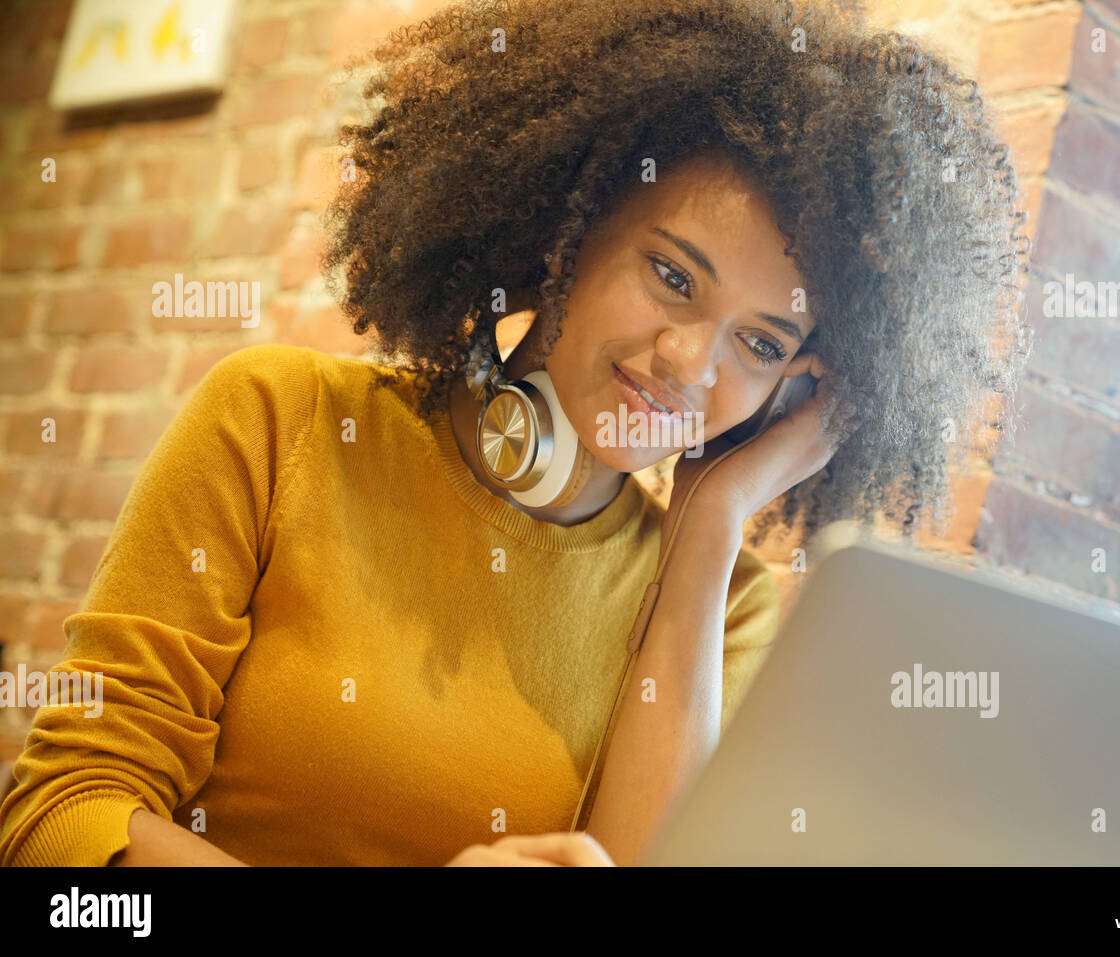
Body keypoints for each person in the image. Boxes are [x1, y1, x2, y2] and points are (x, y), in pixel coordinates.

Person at [0, 0, 1029, 867]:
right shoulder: (283, 422)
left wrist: (710, 524)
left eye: (759, 342)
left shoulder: (722, 609)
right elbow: (61, 827)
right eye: (671, 276)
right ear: (558, 236)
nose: (688, 364)